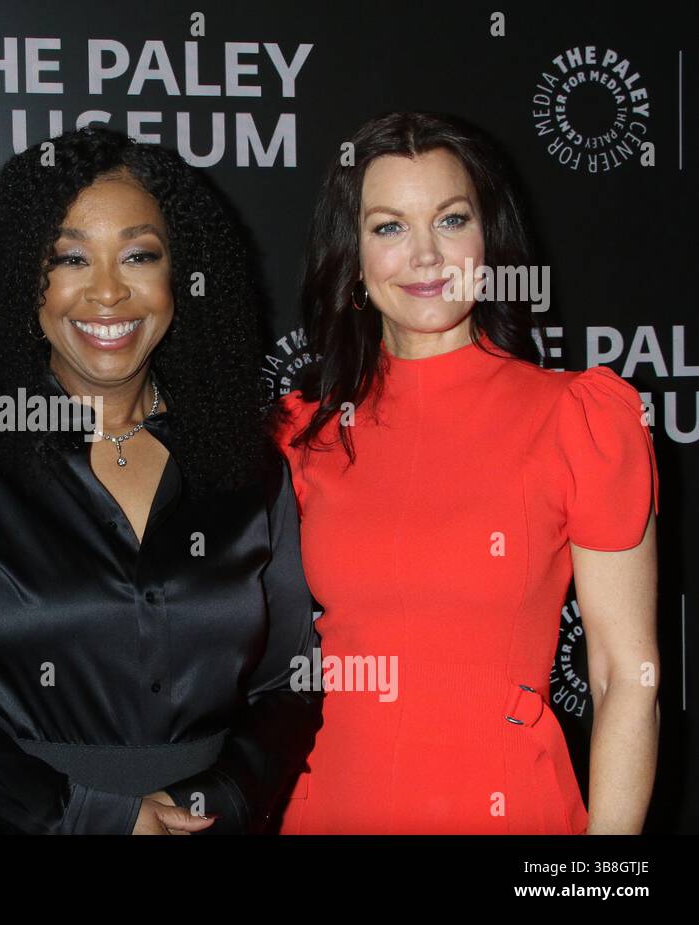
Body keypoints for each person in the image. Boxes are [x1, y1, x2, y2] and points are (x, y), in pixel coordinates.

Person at [0, 126, 322, 835]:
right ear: (28, 281)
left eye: (140, 255)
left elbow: (288, 683)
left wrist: (221, 798)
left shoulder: (249, 466)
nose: (109, 291)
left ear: (182, 275)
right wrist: (88, 817)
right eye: (70, 258)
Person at [274, 111, 660, 834]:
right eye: (389, 227)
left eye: (451, 220)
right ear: (352, 257)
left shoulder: (579, 419)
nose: (426, 255)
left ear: (489, 239)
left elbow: (623, 677)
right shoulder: (303, 434)